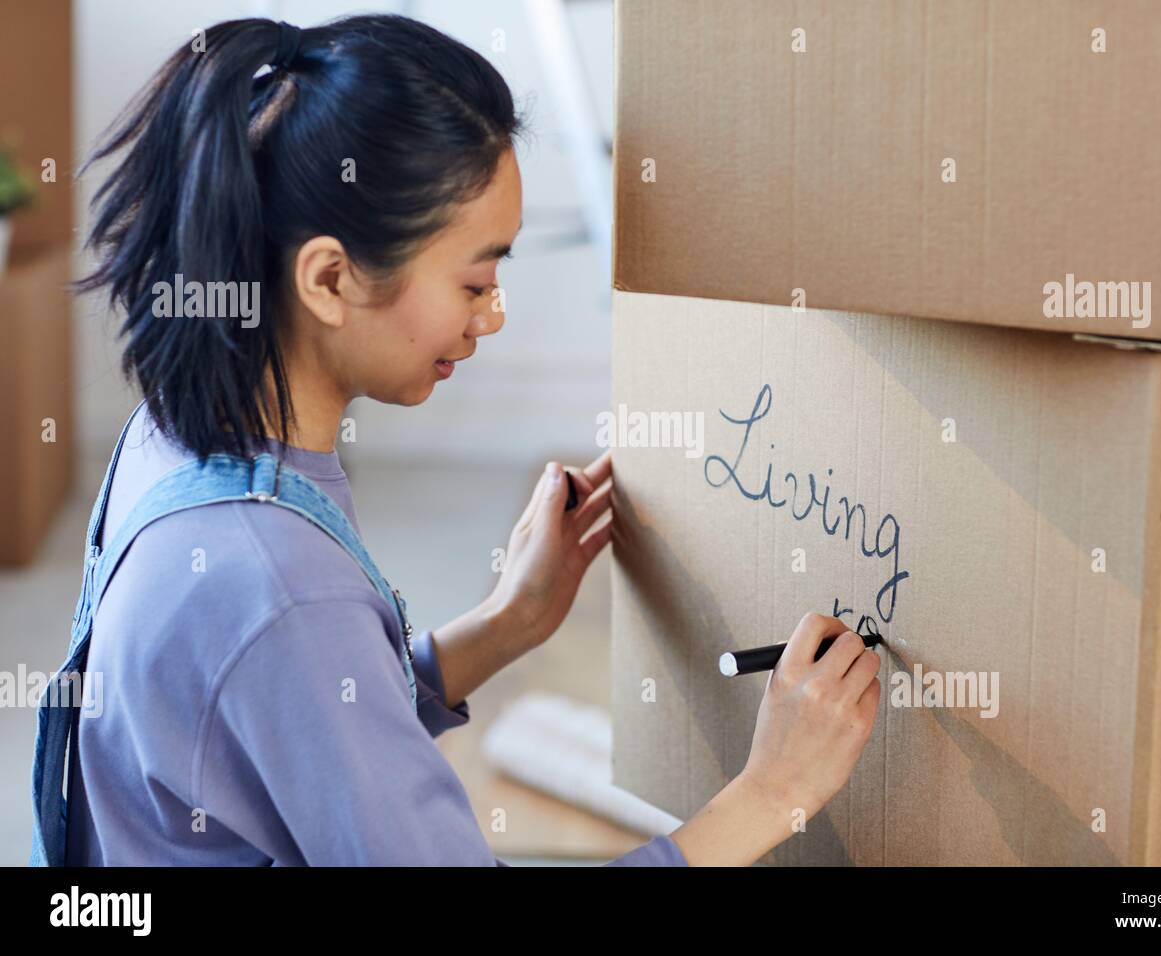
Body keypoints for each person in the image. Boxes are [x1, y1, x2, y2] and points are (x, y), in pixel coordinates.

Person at [30, 14, 882, 867]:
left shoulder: (174, 438)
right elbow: (296, 652)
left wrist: (507, 623)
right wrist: (775, 792)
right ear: (329, 278)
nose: (494, 313)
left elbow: (298, 714)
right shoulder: (277, 583)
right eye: (475, 280)